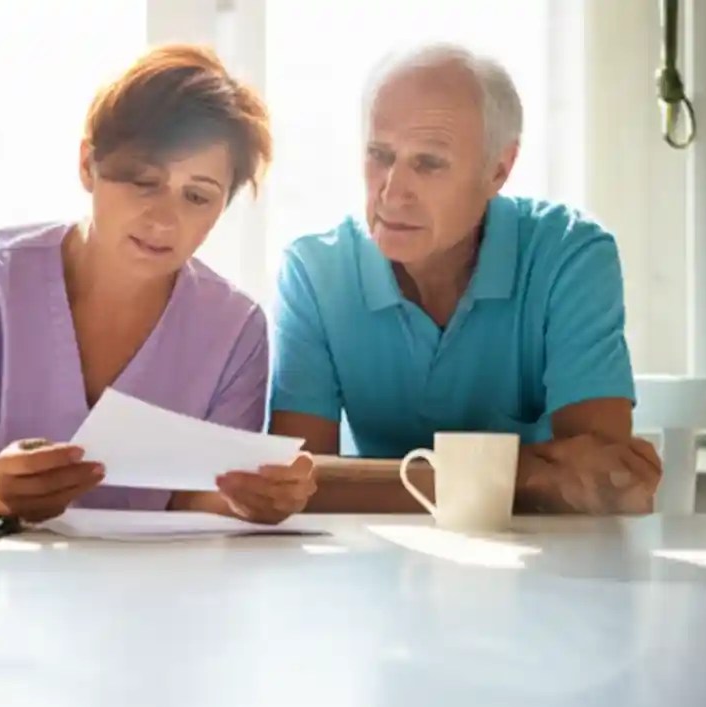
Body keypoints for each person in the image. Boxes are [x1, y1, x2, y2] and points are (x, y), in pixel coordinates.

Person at [0, 45, 315, 523]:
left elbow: (193, 500)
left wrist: (257, 497)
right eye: (143, 181)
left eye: (198, 196)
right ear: (87, 165)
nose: (164, 219)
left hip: (137, 585)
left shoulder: (235, 328)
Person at [269, 43, 661, 515]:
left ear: (498, 169)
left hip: (542, 564)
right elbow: (296, 485)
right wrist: (528, 472)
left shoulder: (570, 255)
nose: (392, 191)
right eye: (379, 154)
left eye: (428, 162)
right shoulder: (314, 272)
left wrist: (380, 481)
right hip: (372, 566)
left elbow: (598, 482)